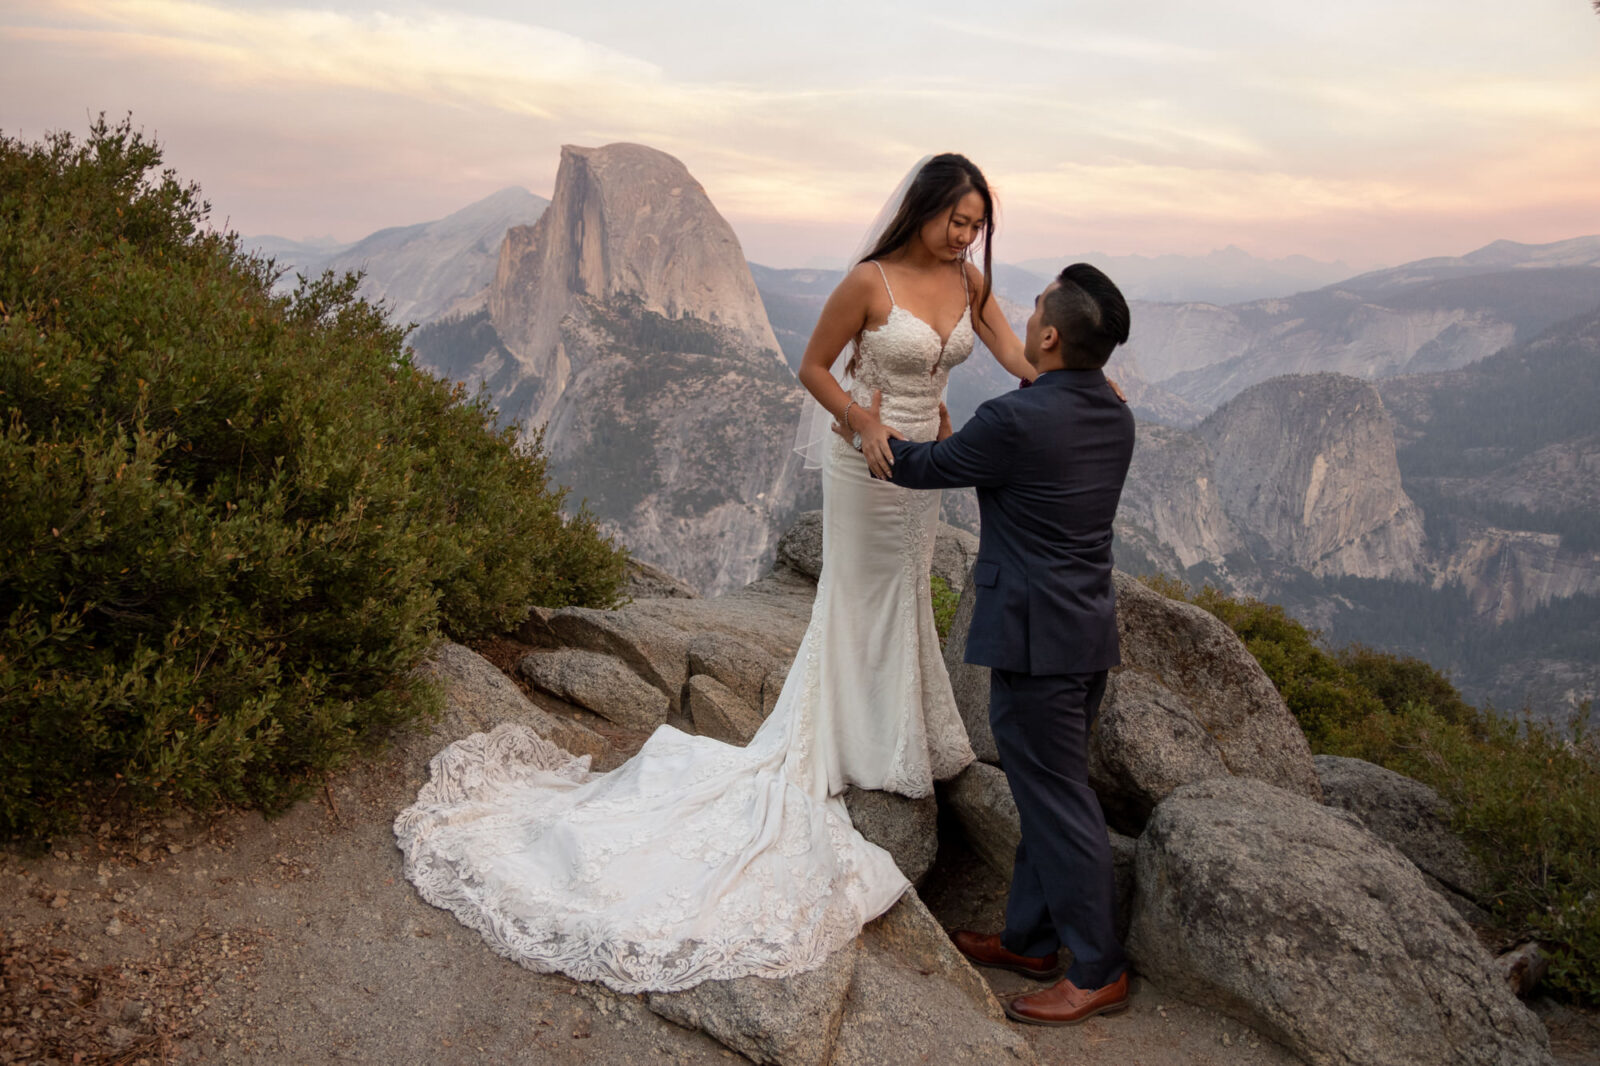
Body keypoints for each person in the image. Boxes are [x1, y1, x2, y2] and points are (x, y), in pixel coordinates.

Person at [393, 154, 1031, 993]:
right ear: (923, 210)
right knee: (853, 594)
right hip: (864, 461)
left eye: (978, 222)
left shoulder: (973, 286)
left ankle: (897, 729)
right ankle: (847, 738)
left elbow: (1016, 359)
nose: (966, 235)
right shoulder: (869, 282)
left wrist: (1076, 387)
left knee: (906, 591)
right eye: (958, 218)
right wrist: (859, 419)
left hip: (928, 466)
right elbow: (812, 369)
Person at [848, 263, 1137, 1026]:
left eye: (1035, 306)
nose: (1027, 311)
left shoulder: (1016, 421)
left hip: (1036, 641)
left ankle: (1098, 969)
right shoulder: (1115, 413)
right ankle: (1032, 940)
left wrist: (864, 426)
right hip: (1087, 634)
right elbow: (1029, 477)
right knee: (1053, 788)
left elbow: (926, 468)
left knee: (1059, 799)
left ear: (1045, 335)